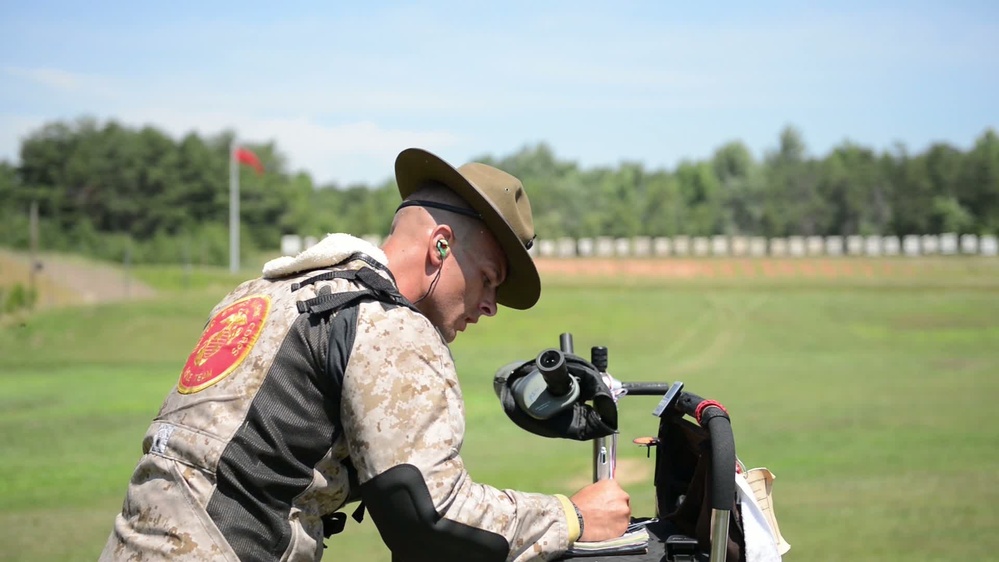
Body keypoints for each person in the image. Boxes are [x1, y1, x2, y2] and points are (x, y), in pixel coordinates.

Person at [99, 148, 631, 562]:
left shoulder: (258, 297)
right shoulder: (388, 327)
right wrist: (572, 516)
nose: (490, 305)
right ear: (439, 246)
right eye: (488, 279)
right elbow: (432, 516)